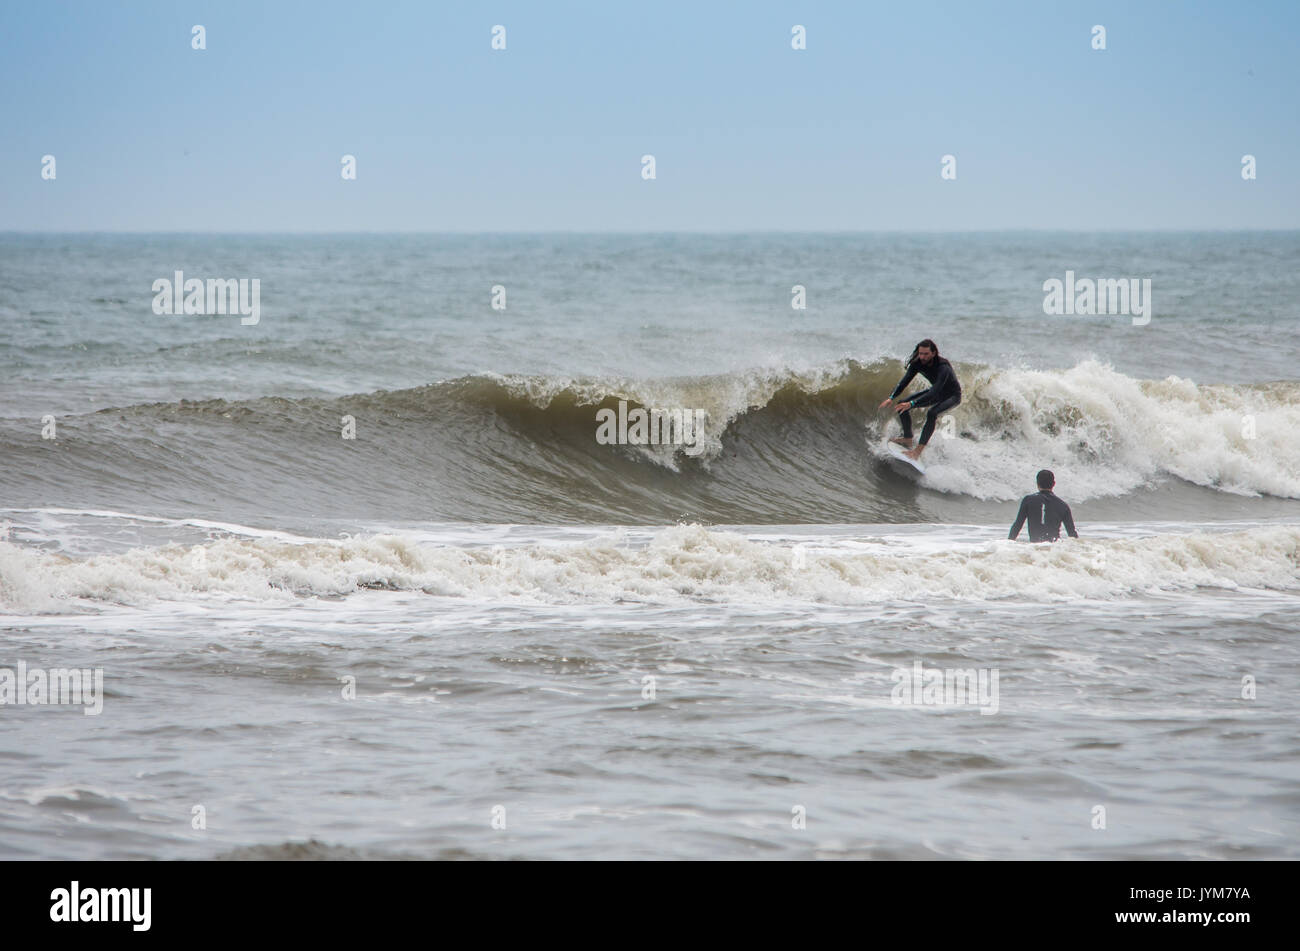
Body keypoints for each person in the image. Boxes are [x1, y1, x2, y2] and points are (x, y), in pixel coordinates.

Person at [877, 339, 962, 461]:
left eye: (926, 354)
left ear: (933, 353)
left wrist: (912, 403)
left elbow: (935, 391)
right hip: (936, 392)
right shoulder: (917, 363)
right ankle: (908, 439)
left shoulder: (943, 367)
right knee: (901, 404)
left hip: (952, 395)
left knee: (932, 413)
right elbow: (904, 381)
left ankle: (917, 451)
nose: (922, 357)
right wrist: (891, 398)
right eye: (920, 353)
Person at [1009, 470, 1078, 542]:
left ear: (1037, 484)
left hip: (1035, 549)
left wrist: (1006, 545)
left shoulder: (1028, 500)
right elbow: (1072, 534)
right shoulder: (1063, 505)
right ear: (1054, 484)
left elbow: (1017, 526)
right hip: (1055, 549)